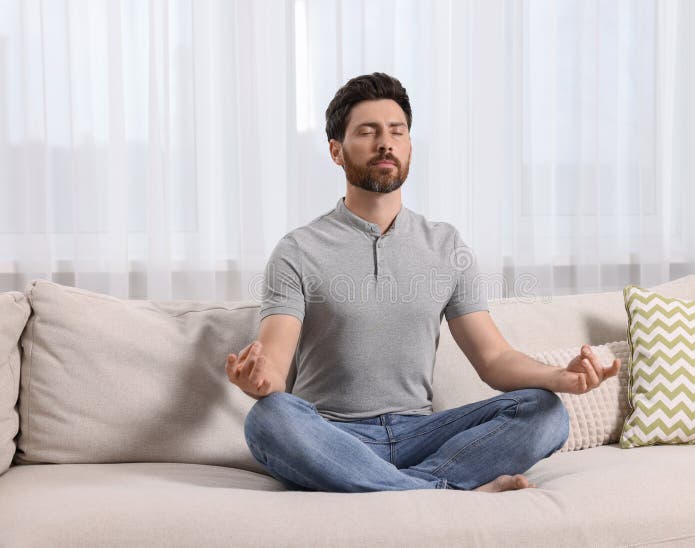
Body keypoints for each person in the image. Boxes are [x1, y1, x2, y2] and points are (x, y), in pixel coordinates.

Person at [226, 72, 621, 493]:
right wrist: (259, 381)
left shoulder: (445, 245)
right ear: (335, 151)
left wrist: (560, 377)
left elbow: (494, 359)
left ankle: (398, 488)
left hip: (421, 434)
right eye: (368, 131)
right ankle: (441, 491)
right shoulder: (298, 250)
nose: (386, 142)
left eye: (397, 131)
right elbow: (274, 362)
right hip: (333, 437)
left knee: (545, 412)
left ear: (410, 146)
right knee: (269, 419)